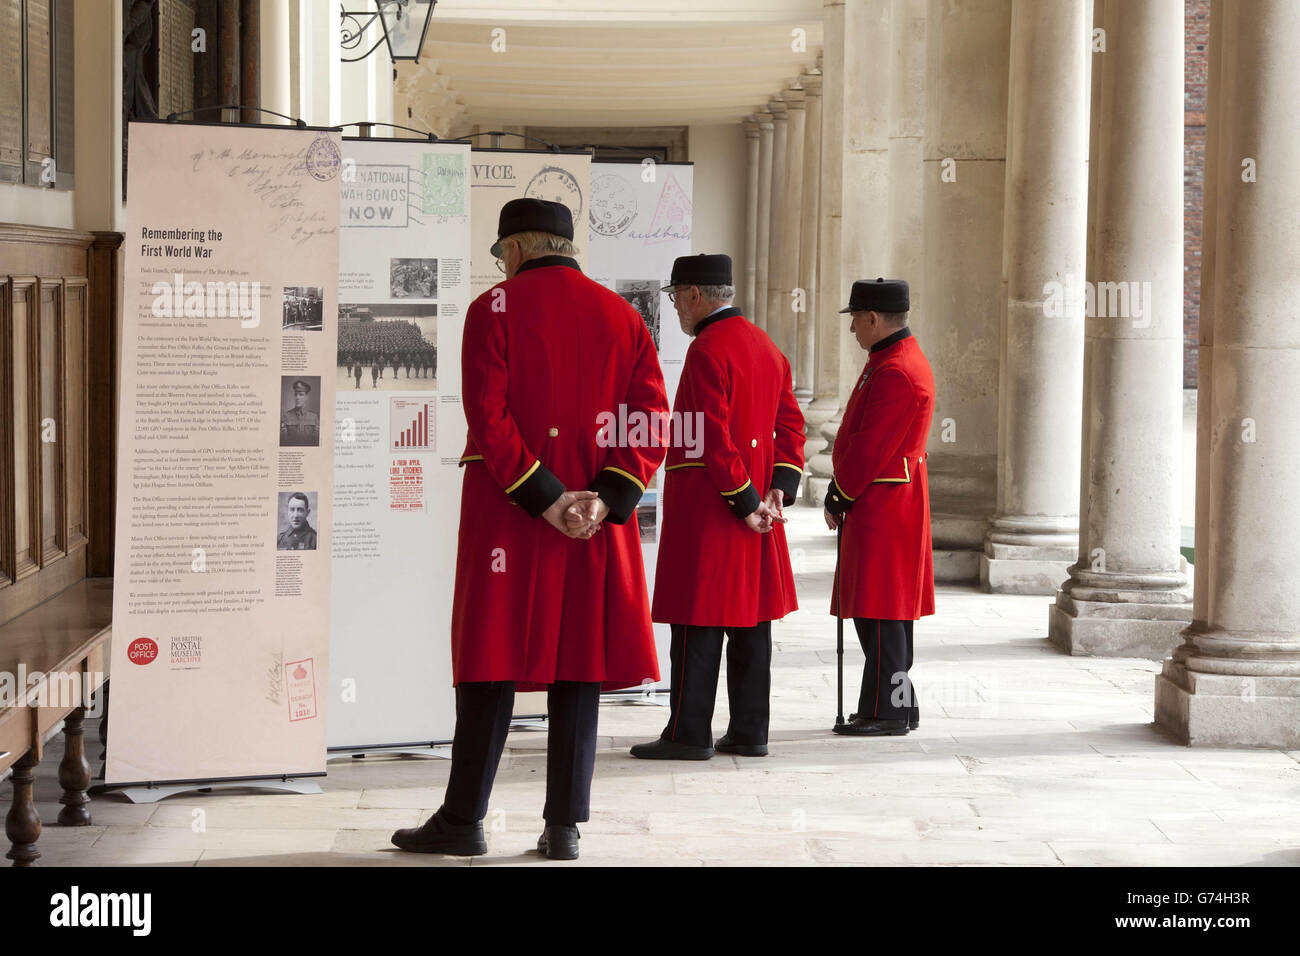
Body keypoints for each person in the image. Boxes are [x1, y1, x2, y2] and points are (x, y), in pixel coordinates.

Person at [391, 198, 668, 861]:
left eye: (500, 253)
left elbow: (488, 417)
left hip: (507, 513)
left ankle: (464, 819)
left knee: (491, 659)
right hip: (593, 524)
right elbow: (652, 419)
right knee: (580, 661)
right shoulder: (625, 316)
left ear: (515, 248)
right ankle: (564, 827)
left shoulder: (492, 310)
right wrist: (602, 498)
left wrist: (543, 497)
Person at [630, 254, 804, 760]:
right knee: (752, 622)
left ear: (695, 295)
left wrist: (743, 500)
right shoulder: (767, 347)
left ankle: (688, 733)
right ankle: (750, 731)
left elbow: (711, 435)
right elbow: (790, 427)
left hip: (713, 508)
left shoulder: (708, 349)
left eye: (676, 295)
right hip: (756, 511)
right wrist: (777, 490)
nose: (676, 307)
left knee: (697, 622)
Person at [823, 279, 935, 736]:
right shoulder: (890, 360)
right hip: (884, 501)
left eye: (854, 318)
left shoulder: (896, 370)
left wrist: (839, 493)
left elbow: (870, 447)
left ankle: (885, 711)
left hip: (884, 504)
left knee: (882, 612)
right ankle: (900, 705)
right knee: (884, 613)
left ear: (872, 318)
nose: (851, 329)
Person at [280, 379, 319, 446]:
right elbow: (284, 442)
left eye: (301, 395)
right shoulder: (286, 416)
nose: (297, 397)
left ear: (306, 397)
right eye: (296, 394)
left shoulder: (314, 417)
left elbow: (315, 442)